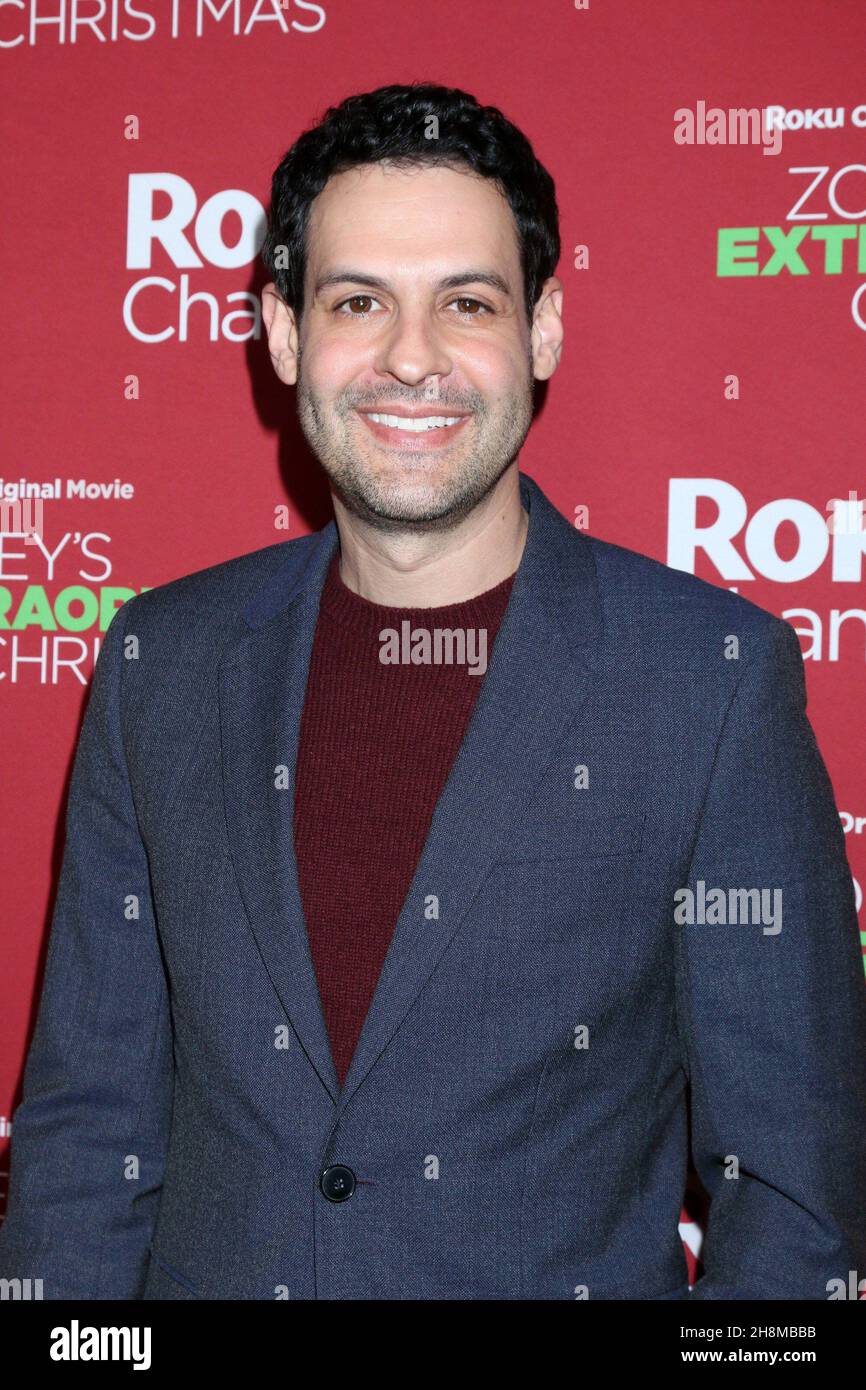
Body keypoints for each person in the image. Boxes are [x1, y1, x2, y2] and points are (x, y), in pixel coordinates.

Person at [1, 82, 864, 1301]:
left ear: (543, 331)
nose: (411, 357)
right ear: (285, 333)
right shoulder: (161, 663)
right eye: (358, 302)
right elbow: (86, 1140)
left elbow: (790, 1199)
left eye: (466, 303)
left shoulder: (707, 682)